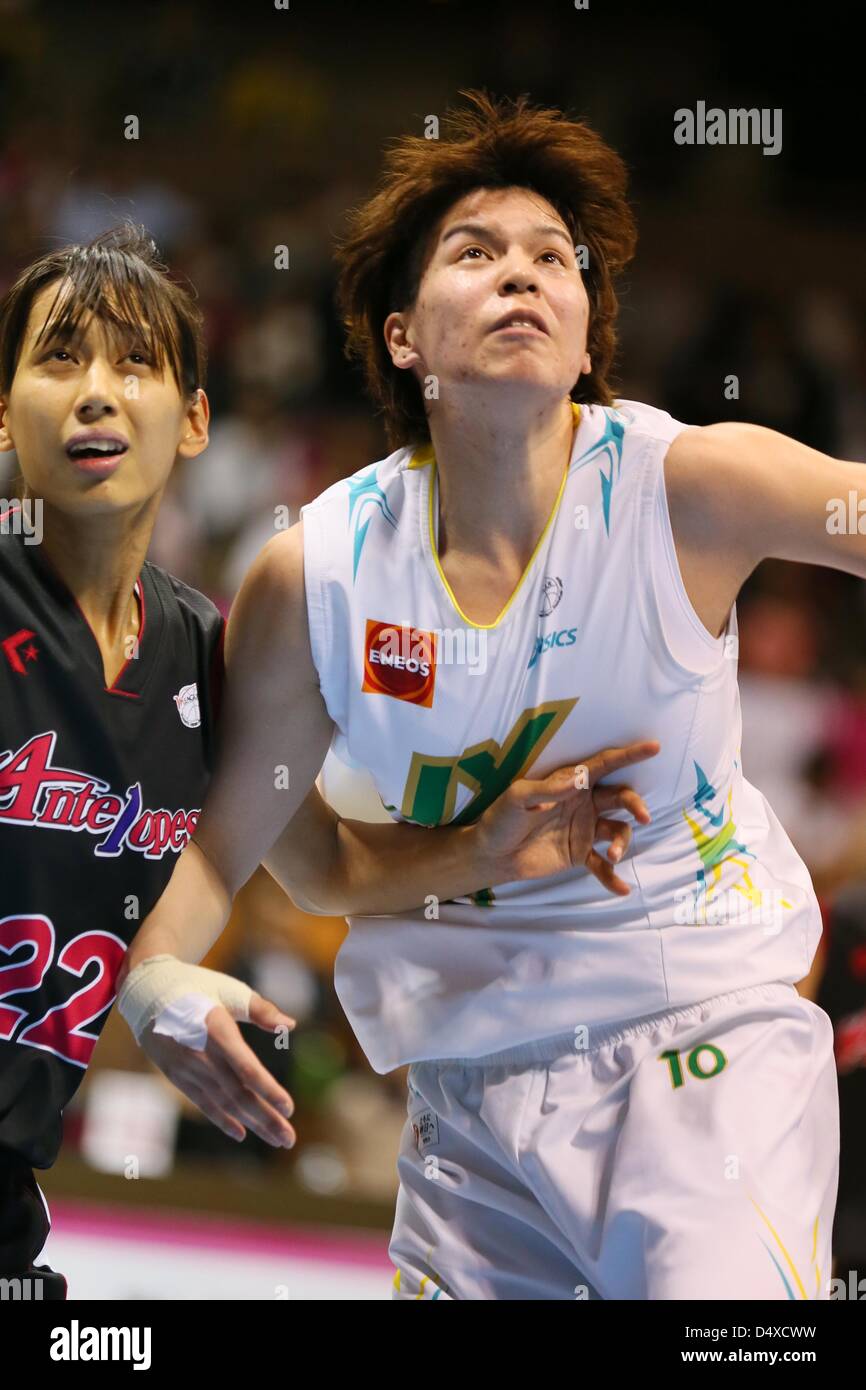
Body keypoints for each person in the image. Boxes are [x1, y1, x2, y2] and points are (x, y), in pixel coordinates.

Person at [118, 91, 865, 1300]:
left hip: (700, 1045)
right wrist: (156, 987)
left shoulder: (689, 491)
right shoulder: (320, 572)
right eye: (476, 253)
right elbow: (261, 853)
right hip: (465, 1105)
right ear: (404, 336)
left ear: (584, 339)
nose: (520, 274)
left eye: (551, 259)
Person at [0, 219, 643, 1297]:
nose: (96, 393)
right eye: (57, 359)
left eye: (135, 364)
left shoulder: (202, 650)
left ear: (196, 420)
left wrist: (478, 847)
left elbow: (315, 863)